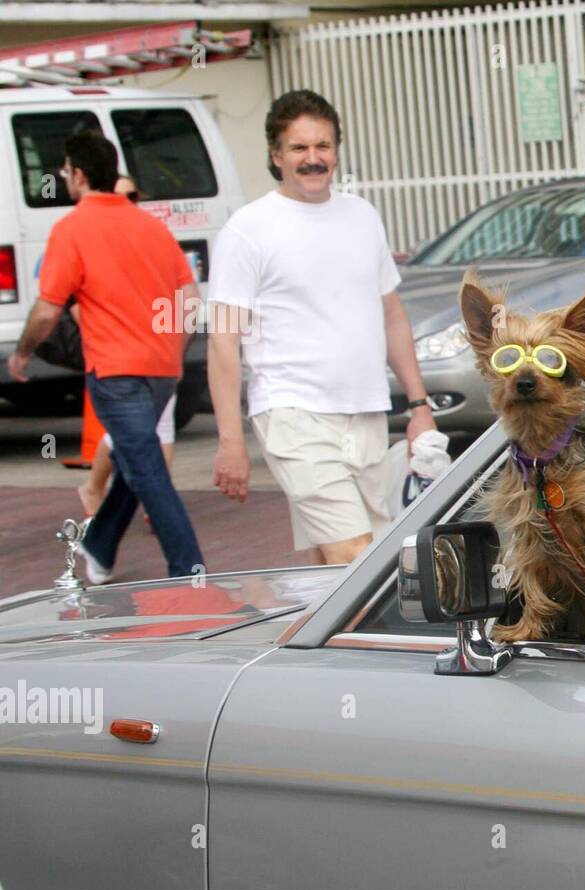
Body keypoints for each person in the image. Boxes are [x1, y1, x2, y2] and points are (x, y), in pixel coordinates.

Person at [207, 90, 437, 565]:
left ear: (337, 148)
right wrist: (231, 442)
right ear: (276, 154)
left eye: (323, 146)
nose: (314, 159)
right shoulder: (247, 229)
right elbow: (224, 340)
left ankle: (316, 640)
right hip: (292, 413)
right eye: (299, 148)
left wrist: (419, 407)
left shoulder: (363, 215)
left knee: (335, 566)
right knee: (361, 561)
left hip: (368, 411)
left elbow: (392, 315)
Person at [8, 132, 203, 583]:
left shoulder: (71, 229)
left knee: (147, 468)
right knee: (140, 460)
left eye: (64, 171)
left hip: (116, 373)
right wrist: (174, 352)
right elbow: (189, 298)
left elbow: (47, 310)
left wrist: (22, 354)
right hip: (161, 371)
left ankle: (189, 571)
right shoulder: (151, 226)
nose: (63, 178)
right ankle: (100, 546)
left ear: (77, 175)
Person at [78, 175, 179, 520]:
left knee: (158, 425)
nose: (128, 201)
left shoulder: (152, 232)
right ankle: (100, 489)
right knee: (129, 429)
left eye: (133, 195)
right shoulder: (92, 236)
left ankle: (152, 500)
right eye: (120, 195)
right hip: (117, 356)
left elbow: (179, 287)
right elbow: (76, 300)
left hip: (157, 348)